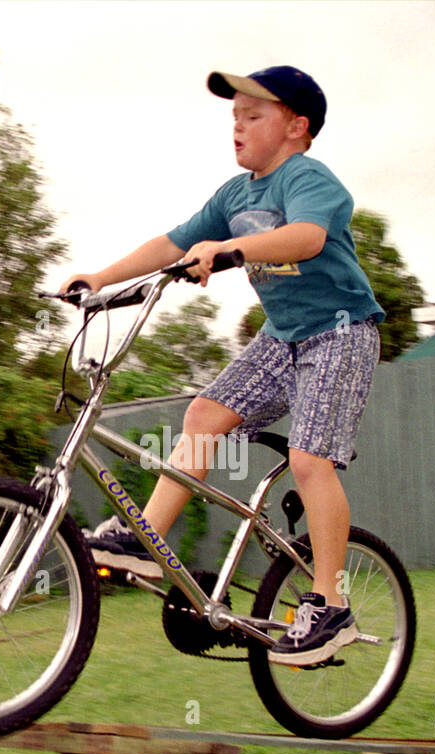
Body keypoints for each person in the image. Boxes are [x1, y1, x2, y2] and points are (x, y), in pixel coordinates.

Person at [60, 66, 384, 666]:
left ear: (296, 126)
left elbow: (307, 237)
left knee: (311, 460)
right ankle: (143, 539)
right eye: (233, 115)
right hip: (284, 337)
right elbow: (172, 243)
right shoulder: (235, 197)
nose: (237, 125)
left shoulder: (308, 178)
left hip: (339, 334)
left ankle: (332, 605)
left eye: (252, 115)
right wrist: (100, 279)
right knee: (204, 415)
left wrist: (231, 251)